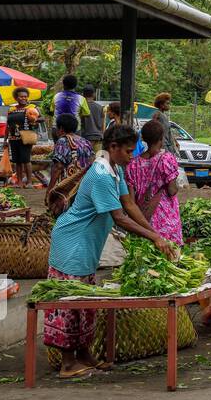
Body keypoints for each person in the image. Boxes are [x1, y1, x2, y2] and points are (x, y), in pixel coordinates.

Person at [45, 124, 175, 378]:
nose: (131, 156)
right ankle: (68, 363)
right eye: (127, 151)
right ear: (113, 148)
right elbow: (119, 217)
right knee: (70, 301)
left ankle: (85, 355)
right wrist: (153, 238)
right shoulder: (101, 175)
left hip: (87, 244)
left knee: (87, 302)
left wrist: (156, 236)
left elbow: (129, 205)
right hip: (72, 242)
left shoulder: (116, 170)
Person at [126, 118, 184, 247]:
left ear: (144, 139)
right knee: (170, 258)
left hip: (143, 222)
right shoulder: (167, 159)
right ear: (161, 138)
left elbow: (131, 200)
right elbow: (172, 190)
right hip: (166, 220)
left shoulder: (132, 164)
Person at [46, 114, 94, 213]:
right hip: (83, 185)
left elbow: (58, 167)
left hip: (68, 186)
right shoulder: (85, 142)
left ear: (61, 128)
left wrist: (50, 190)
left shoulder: (63, 141)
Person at [5, 87, 41, 188]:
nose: (23, 98)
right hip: (13, 138)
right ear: (16, 98)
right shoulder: (12, 109)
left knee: (26, 159)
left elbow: (41, 118)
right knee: (17, 161)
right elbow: (7, 125)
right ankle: (19, 182)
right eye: (21, 97)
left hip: (26, 138)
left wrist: (33, 119)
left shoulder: (32, 107)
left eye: (25, 96)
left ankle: (29, 182)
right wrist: (5, 140)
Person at [80, 85, 104, 150]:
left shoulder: (81, 108)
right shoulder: (100, 107)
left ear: (83, 95)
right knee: (97, 159)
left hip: (86, 138)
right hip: (98, 137)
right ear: (94, 94)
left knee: (87, 159)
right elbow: (102, 125)